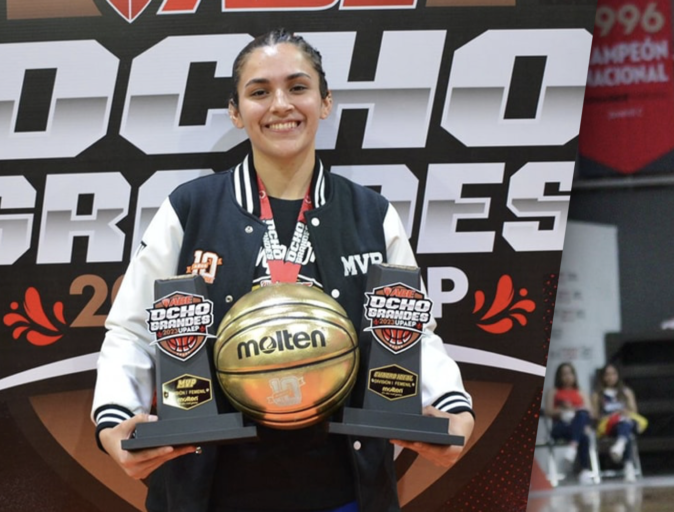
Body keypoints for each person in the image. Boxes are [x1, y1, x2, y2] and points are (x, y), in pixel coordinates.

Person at [90, 30, 474, 512]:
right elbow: (131, 330)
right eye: (259, 91)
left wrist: (453, 408)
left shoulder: (370, 214)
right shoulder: (190, 209)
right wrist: (114, 422)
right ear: (236, 111)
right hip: (212, 491)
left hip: (343, 489)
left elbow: (411, 331)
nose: (280, 105)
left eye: (297, 87)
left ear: (325, 101)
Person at [591, 363, 647, 482]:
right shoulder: (598, 394)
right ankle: (628, 466)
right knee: (626, 428)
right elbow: (594, 415)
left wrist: (624, 411)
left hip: (626, 422)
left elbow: (634, 411)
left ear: (618, 375)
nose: (610, 377)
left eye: (613, 374)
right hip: (608, 426)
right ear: (602, 377)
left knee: (625, 422)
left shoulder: (626, 392)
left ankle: (620, 446)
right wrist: (610, 415)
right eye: (607, 374)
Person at [543, 362, 594, 484]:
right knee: (582, 433)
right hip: (560, 427)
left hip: (576, 425)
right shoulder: (553, 391)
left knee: (583, 430)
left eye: (570, 373)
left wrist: (575, 409)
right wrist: (563, 409)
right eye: (564, 374)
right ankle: (577, 452)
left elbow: (589, 411)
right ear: (559, 376)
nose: (567, 376)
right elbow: (548, 411)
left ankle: (584, 471)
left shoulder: (580, 392)